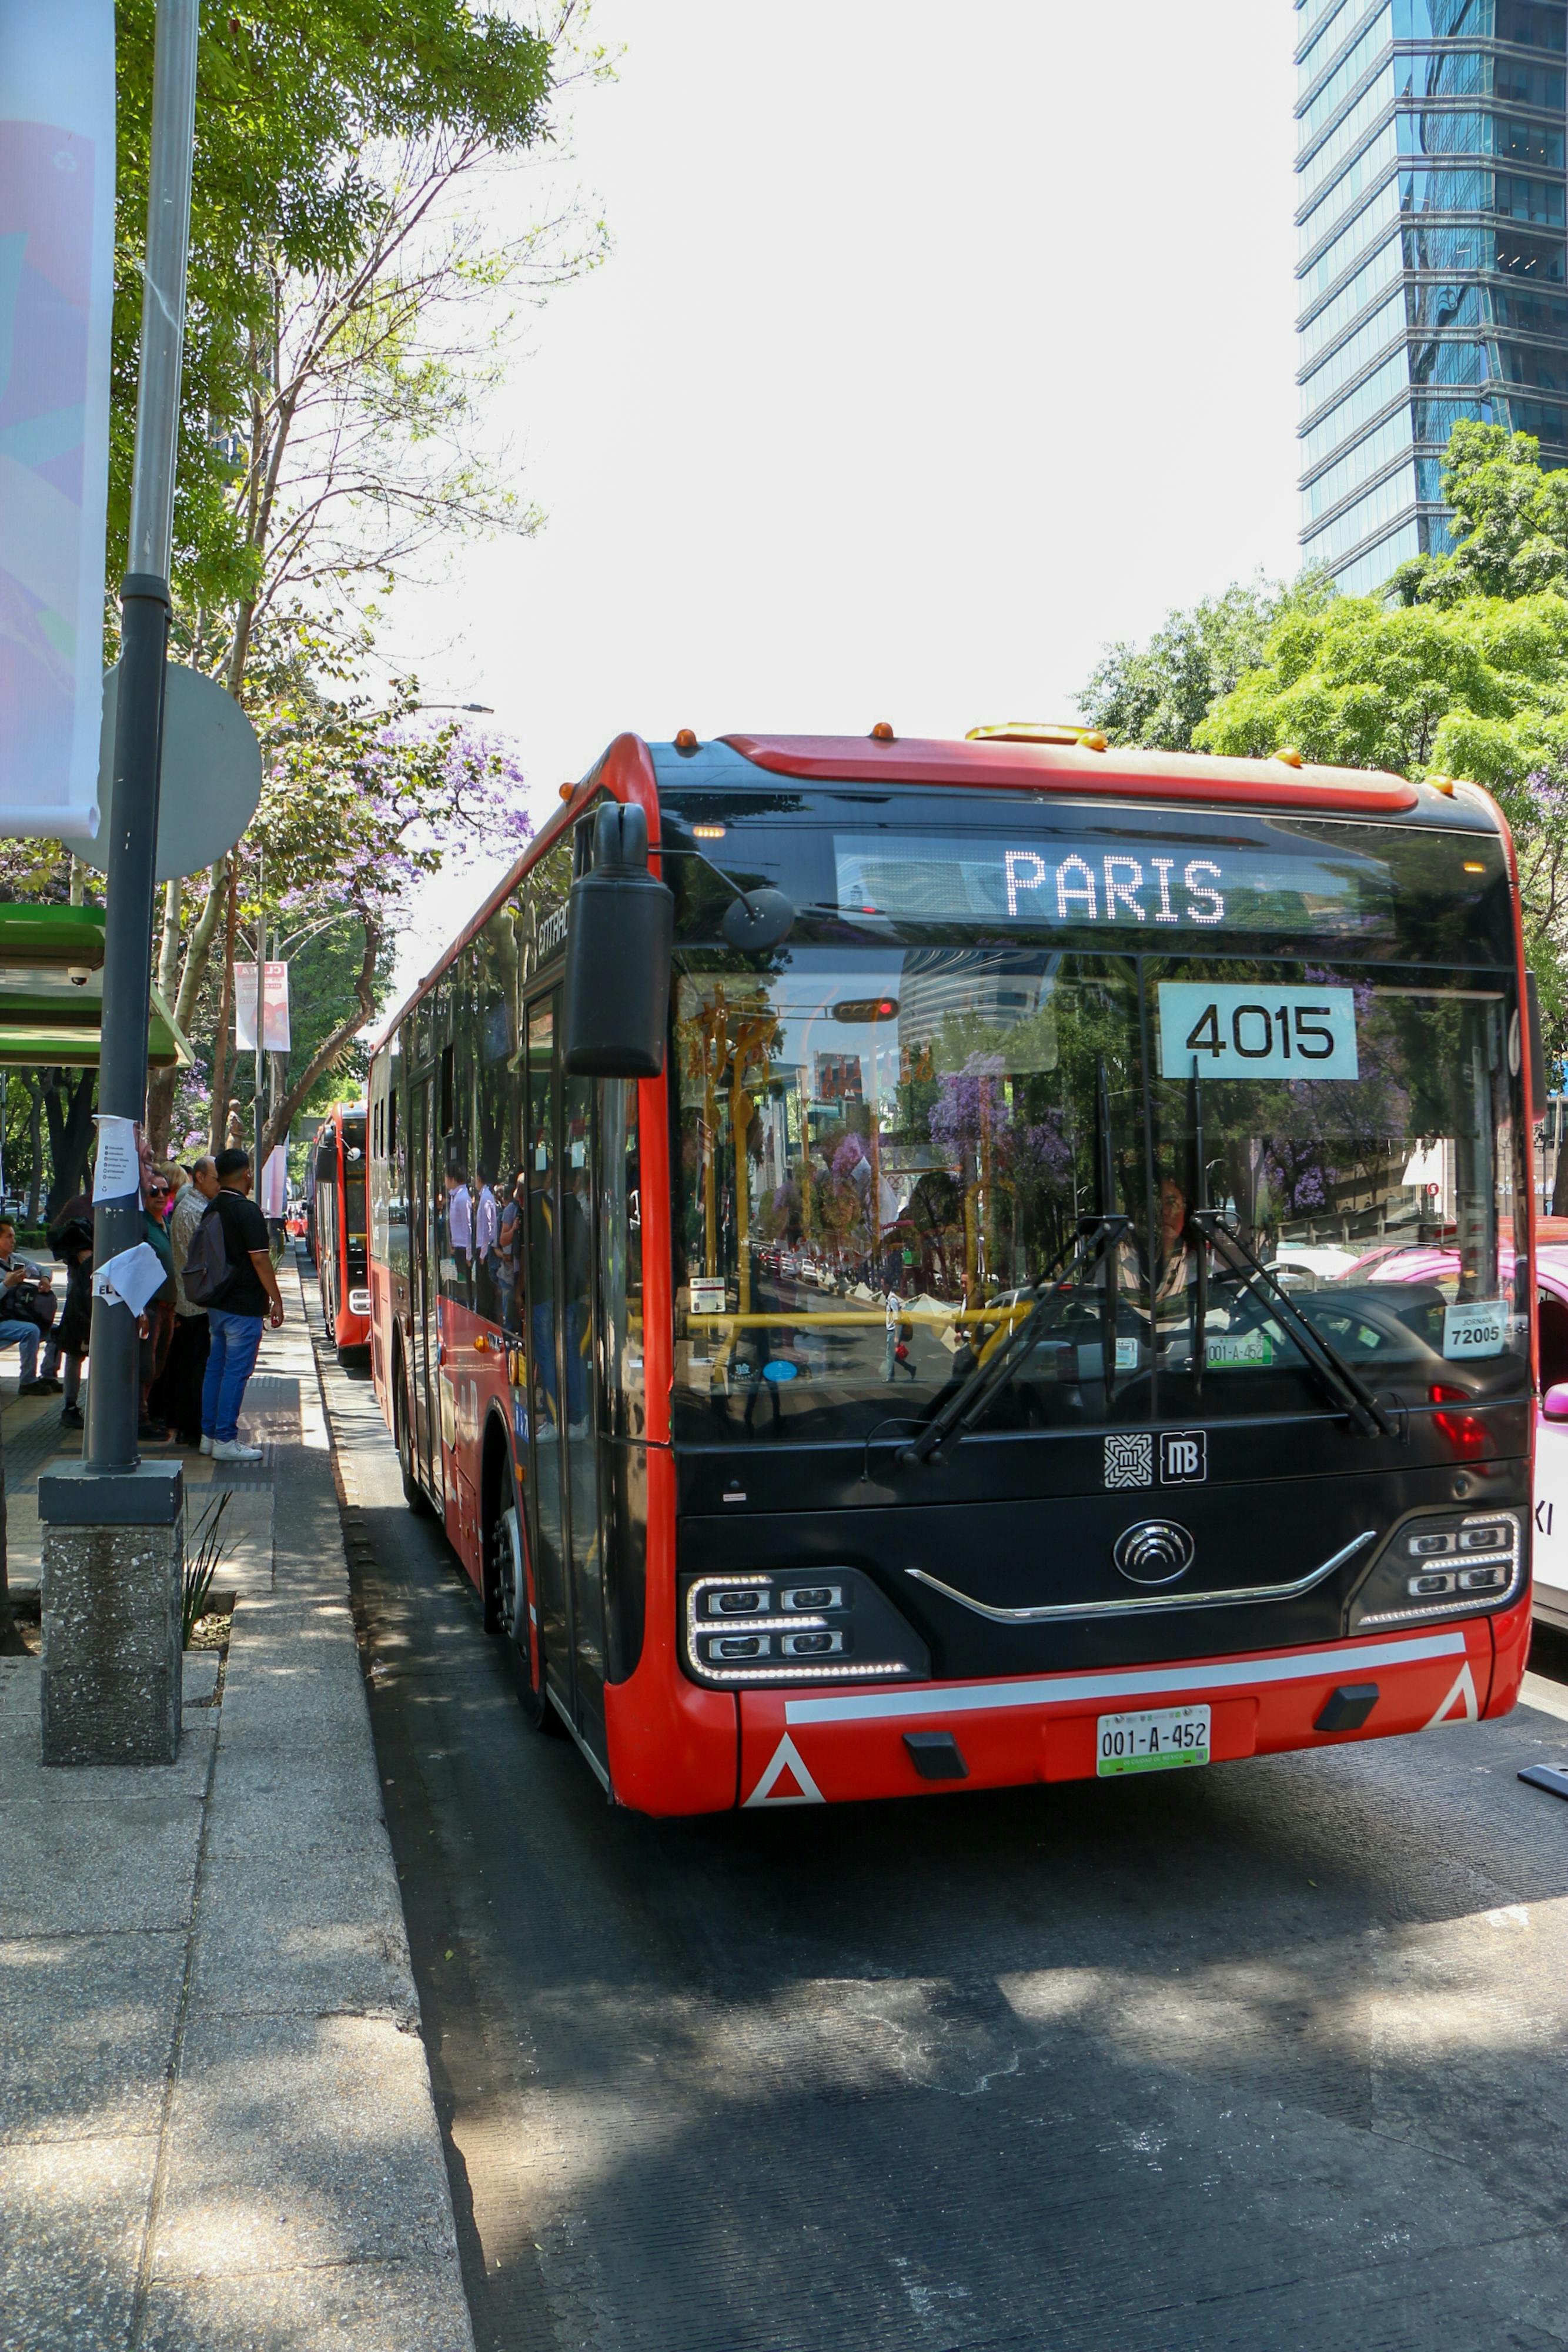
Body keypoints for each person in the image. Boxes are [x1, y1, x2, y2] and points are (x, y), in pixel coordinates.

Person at [199, 1147, 285, 1463]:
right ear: (247, 1174)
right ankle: (225, 1439)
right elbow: (260, 1260)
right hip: (243, 1305)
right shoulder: (246, 1211)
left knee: (216, 1369)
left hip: (217, 1302)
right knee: (236, 1372)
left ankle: (209, 1436)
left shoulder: (212, 1208)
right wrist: (276, 1299)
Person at [151, 1157, 218, 1447]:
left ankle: (187, 1425)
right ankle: (192, 1428)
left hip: (190, 1301)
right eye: (216, 1178)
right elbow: (203, 1259)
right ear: (200, 1178)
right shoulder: (194, 1210)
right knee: (194, 1369)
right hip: (194, 1303)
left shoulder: (194, 1206)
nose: (220, 1184)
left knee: (188, 1367)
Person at [45, 1191, 94, 1429]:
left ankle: (100, 1404)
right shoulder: (79, 1204)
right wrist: (76, 1253)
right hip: (80, 1287)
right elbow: (54, 1236)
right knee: (76, 1347)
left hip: (113, 1285)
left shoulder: (125, 1203)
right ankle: (71, 1406)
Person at [138, 1167, 177, 1441]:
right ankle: (139, 1418)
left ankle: (146, 1414)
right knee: (146, 1366)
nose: (161, 1195)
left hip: (168, 1308)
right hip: (149, 1307)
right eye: (154, 1191)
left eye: (166, 1190)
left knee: (158, 1367)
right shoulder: (141, 1226)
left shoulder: (166, 1223)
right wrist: (140, 1309)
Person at [0, 1220, 58, 1394]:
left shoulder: (15, 1259)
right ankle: (28, 1382)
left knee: (56, 1330)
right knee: (30, 1330)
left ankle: (48, 1376)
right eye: (9, 1236)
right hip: (3, 1321)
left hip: (15, 1317)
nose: (13, 1240)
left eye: (14, 1236)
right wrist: (6, 1284)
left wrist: (45, 1279)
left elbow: (44, 1269)